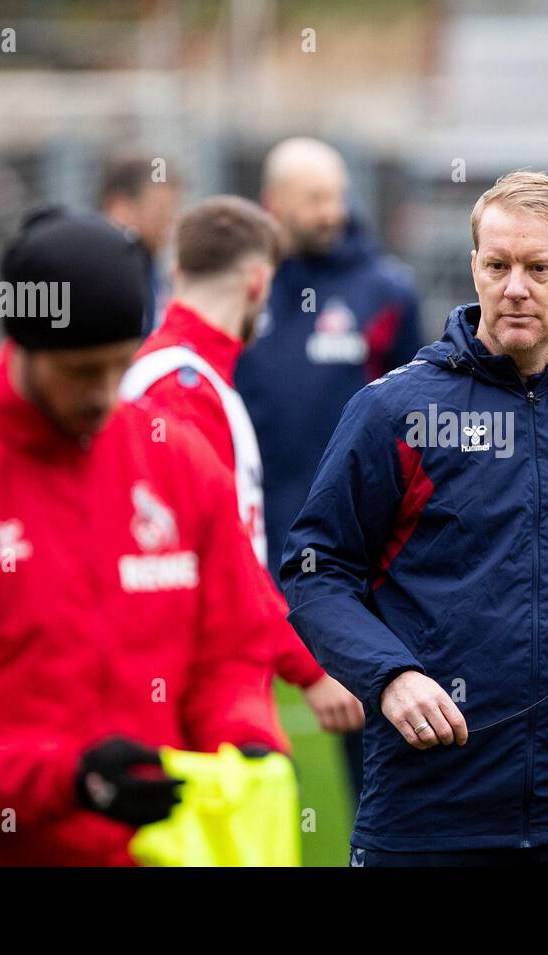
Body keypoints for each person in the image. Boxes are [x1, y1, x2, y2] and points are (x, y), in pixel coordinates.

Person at [0, 208, 287, 865]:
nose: (104, 392)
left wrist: (242, 738)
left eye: (119, 365)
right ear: (21, 342)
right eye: (80, 371)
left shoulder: (180, 464)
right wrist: (66, 781)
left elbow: (233, 650)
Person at [280, 171, 548, 866]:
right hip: (427, 809)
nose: (514, 287)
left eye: (538, 268)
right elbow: (316, 571)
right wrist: (390, 676)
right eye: (497, 266)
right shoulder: (393, 412)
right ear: (474, 266)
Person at [120, 195, 363, 747]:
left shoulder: (187, 376)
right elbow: (220, 557)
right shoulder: (182, 390)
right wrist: (309, 669)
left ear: (177, 270)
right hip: (192, 705)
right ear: (258, 281)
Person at [234, 137, 422, 801]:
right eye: (314, 198)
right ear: (273, 204)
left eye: (338, 195)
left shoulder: (387, 289)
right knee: (234, 746)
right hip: (246, 552)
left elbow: (419, 423)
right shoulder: (244, 289)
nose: (331, 211)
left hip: (356, 560)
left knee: (374, 751)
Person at [99, 153, 183, 335]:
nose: (170, 224)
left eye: (172, 212)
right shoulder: (98, 276)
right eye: (160, 213)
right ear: (119, 208)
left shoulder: (148, 266)